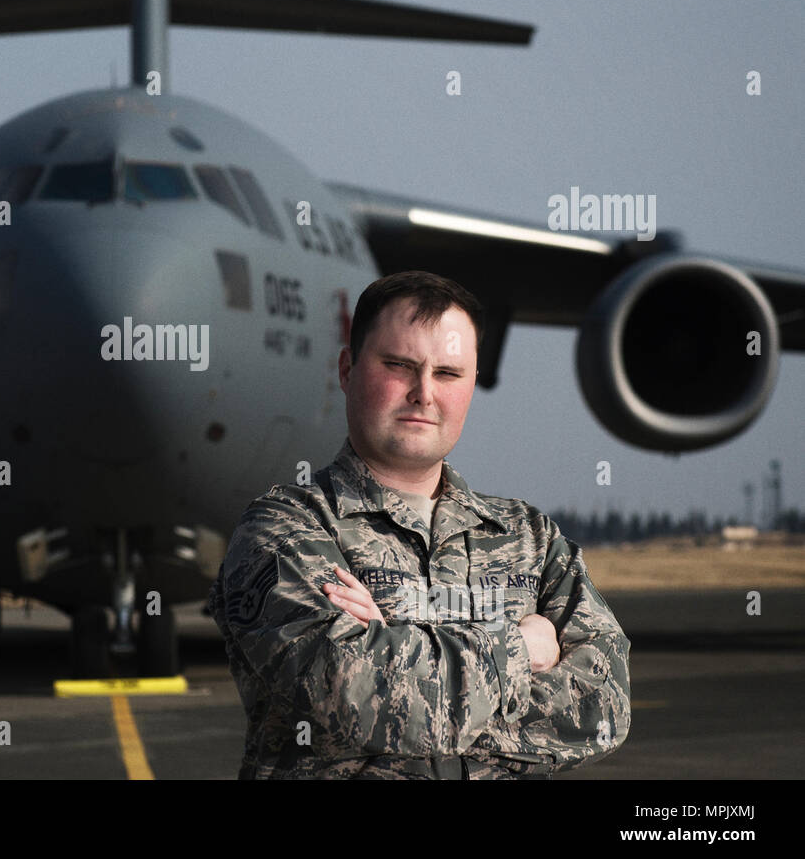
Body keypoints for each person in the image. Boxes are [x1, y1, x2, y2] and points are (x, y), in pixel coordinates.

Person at [209, 270, 631, 779]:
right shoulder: (286, 529)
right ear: (347, 370)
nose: (423, 393)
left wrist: (398, 661)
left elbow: (604, 708)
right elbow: (351, 696)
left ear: (472, 386)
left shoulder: (530, 538)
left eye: (448, 373)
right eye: (398, 366)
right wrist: (519, 648)